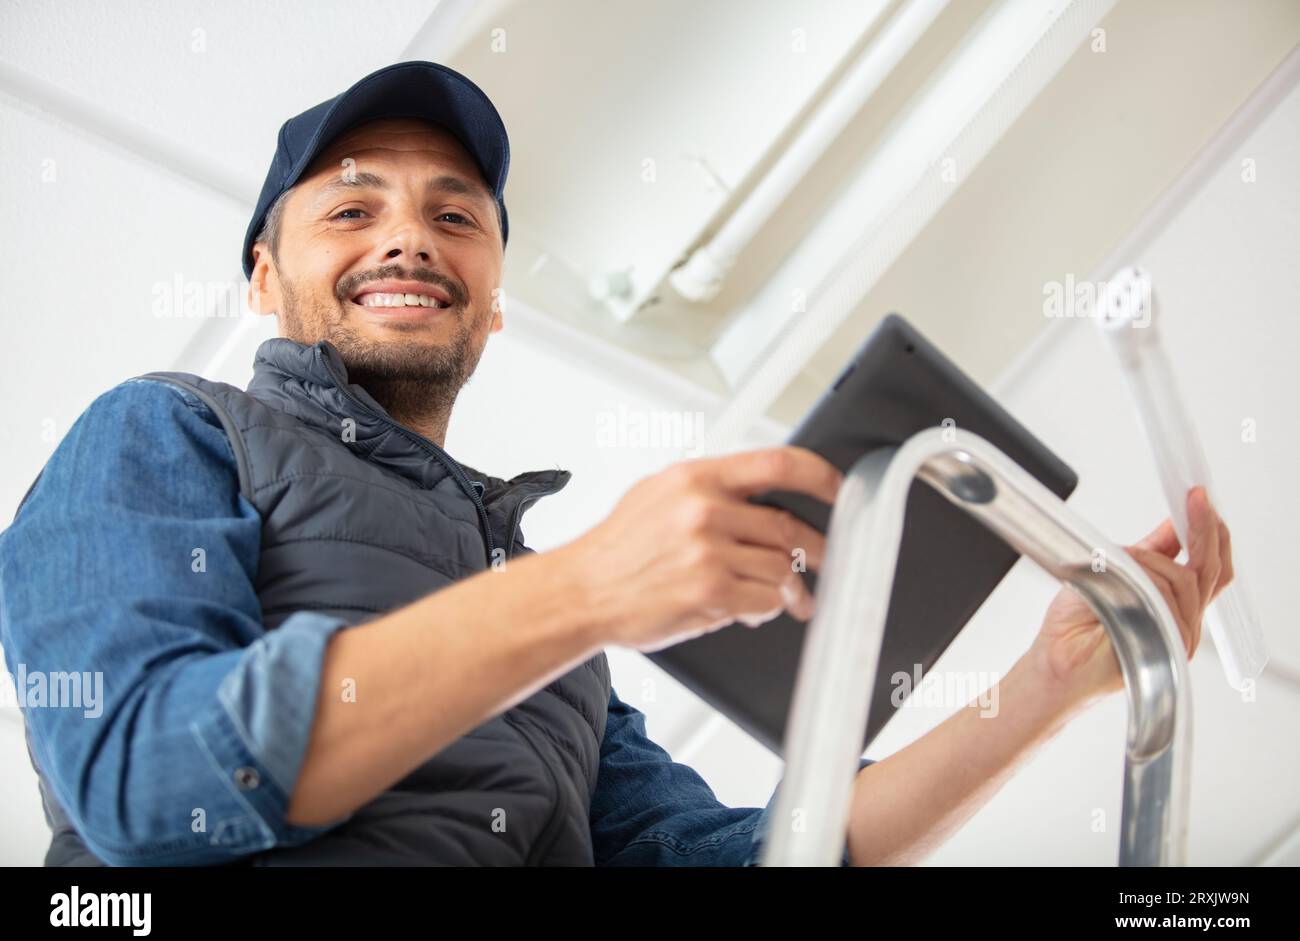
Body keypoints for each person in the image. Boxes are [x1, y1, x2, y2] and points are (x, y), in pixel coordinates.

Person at [0, 61, 1233, 867]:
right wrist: (588, 584)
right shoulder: (164, 429)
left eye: (454, 216)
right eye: (349, 208)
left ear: (489, 307)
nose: (407, 239)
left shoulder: (559, 655)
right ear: (263, 277)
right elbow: (144, 783)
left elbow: (760, 857)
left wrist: (1040, 686)